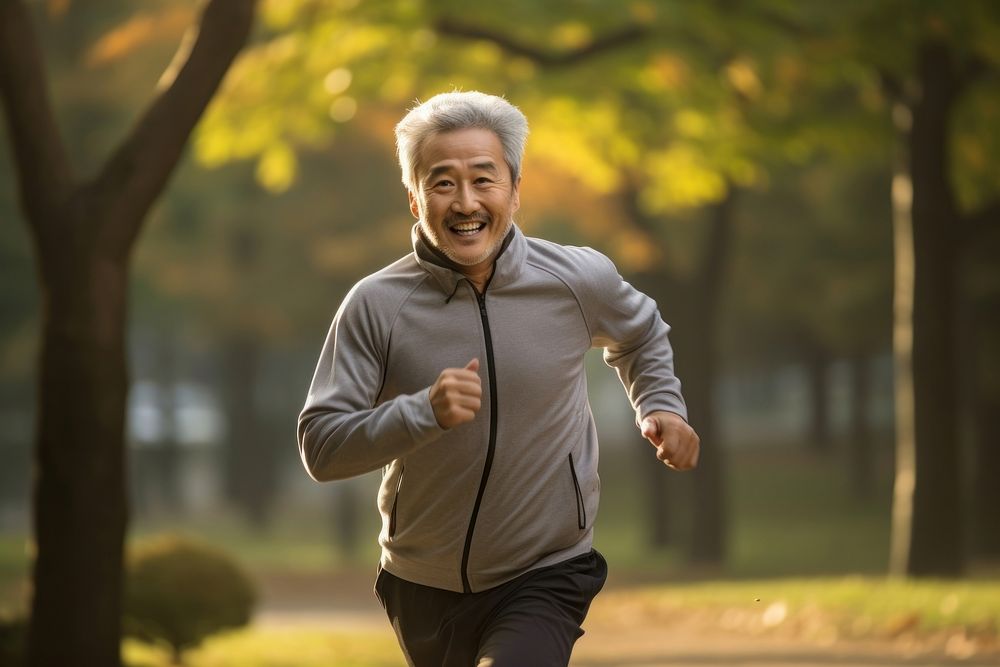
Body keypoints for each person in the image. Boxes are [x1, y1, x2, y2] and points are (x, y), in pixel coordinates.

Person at [297, 90, 700, 667]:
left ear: (515, 189)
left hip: (547, 566)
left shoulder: (575, 280)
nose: (466, 202)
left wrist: (662, 405)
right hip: (421, 580)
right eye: (442, 183)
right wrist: (422, 413)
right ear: (415, 200)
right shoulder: (376, 305)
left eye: (484, 180)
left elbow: (641, 332)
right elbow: (322, 447)